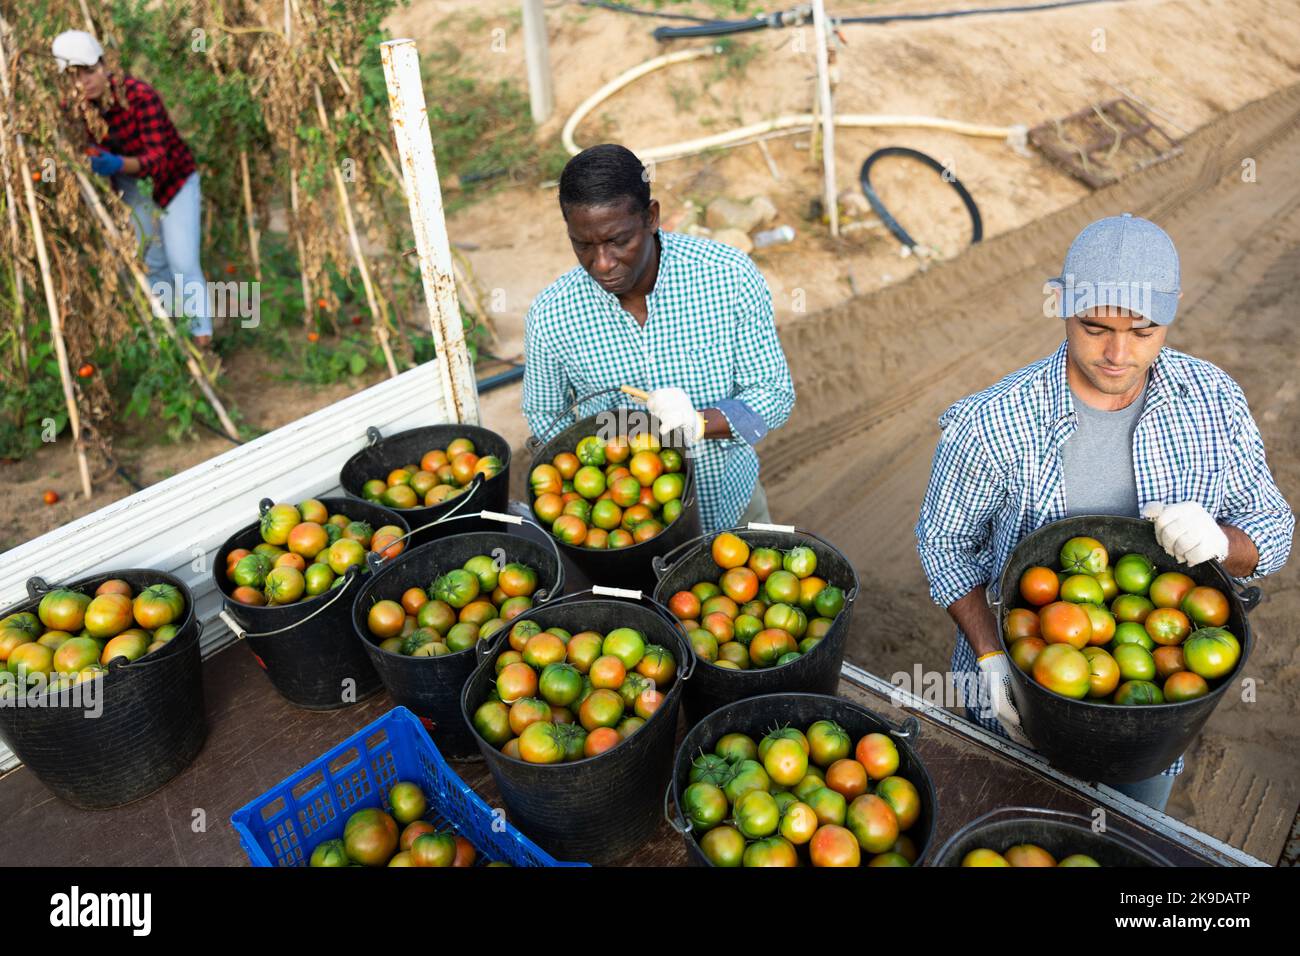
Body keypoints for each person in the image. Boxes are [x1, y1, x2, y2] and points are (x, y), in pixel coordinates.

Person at [915, 213, 1293, 811]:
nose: (1118, 353)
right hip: (1017, 693)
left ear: (1172, 312)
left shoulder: (1213, 401)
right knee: (1005, 825)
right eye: (1093, 327)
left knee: (1127, 840)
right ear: (1061, 304)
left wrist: (1221, 541)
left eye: (1143, 330)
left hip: (1153, 715)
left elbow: (1272, 529)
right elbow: (945, 546)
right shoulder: (991, 424)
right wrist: (991, 657)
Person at [522, 144, 795, 533]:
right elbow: (545, 416)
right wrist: (604, 452)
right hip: (626, 527)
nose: (601, 263)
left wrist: (700, 423)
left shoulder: (728, 277)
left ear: (651, 217)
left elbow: (773, 394)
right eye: (584, 244)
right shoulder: (552, 316)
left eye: (618, 241)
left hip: (733, 505)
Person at [53, 30, 213, 346]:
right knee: (152, 263)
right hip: (131, 186)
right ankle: (174, 338)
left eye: (89, 71)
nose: (84, 82)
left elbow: (159, 159)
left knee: (183, 262)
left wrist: (116, 163)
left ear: (103, 66)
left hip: (174, 182)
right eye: (74, 76)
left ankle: (202, 339)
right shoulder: (74, 110)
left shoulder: (139, 96)